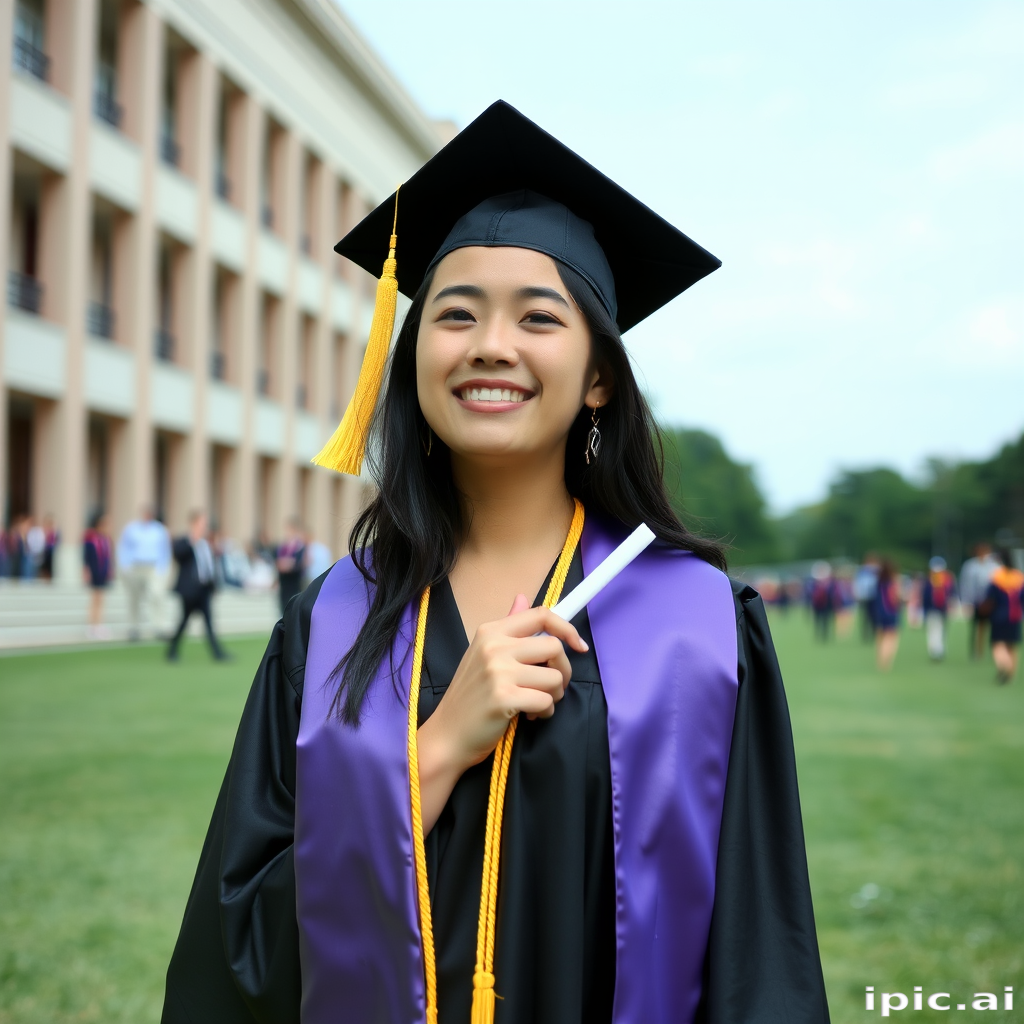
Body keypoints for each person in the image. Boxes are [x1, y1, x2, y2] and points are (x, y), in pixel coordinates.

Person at [162, 101, 828, 1024]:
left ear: (600, 375)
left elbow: (762, 960)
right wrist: (435, 750)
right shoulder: (329, 626)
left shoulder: (701, 628)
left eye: (539, 317)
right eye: (456, 313)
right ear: (413, 359)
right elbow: (235, 953)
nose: (491, 345)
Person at [166, 510, 230, 662]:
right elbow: (179, 555)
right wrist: (192, 541)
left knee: (208, 622)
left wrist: (213, 585)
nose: (205, 526)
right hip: (189, 590)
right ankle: (172, 651)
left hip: (204, 590)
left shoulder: (205, 544)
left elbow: (209, 566)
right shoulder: (185, 541)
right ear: (194, 523)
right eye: (202, 523)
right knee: (183, 621)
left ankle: (217, 653)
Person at [118, 504, 171, 641]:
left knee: (157, 595)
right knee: (134, 598)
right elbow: (124, 546)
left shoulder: (159, 530)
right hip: (135, 567)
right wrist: (125, 565)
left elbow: (165, 550)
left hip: (153, 567)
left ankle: (160, 627)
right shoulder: (131, 528)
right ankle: (133, 628)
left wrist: (162, 568)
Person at [981, 549, 1023, 684]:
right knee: (1011, 645)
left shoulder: (997, 577)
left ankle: (1003, 665)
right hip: (1015, 615)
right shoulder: (1019, 577)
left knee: (997, 643)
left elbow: (989, 598)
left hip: (998, 615)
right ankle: (1011, 671)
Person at [959, 542, 1000, 660]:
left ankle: (994, 651)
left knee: (993, 628)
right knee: (977, 627)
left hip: (992, 601)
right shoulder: (970, 566)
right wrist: (966, 601)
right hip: (977, 601)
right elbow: (965, 584)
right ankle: (977, 651)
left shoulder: (994, 566)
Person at [82, 512, 114, 639]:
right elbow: (86, 557)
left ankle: (99, 624)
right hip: (94, 571)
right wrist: (86, 570)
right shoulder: (90, 538)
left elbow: (108, 557)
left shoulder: (106, 539)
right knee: (95, 599)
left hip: (103, 571)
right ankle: (92, 625)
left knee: (101, 599)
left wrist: (110, 571)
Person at [922, 556, 956, 661]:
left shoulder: (930, 579)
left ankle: (936, 650)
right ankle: (939, 649)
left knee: (933, 630)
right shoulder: (948, 579)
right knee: (941, 630)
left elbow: (925, 596)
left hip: (933, 609)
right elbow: (953, 594)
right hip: (942, 609)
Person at [873, 559, 901, 671]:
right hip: (891, 612)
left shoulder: (879, 582)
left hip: (879, 612)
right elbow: (895, 598)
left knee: (880, 636)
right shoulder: (892, 582)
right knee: (891, 638)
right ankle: (886, 661)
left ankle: (880, 660)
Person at [275, 516, 307, 615]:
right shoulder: (283, 547)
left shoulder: (299, 547)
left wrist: (289, 564)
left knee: (293, 607)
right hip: (284, 583)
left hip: (294, 582)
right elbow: (278, 562)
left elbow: (300, 563)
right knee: (283, 608)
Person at [853, 553, 880, 641]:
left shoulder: (877, 570)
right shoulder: (863, 571)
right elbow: (858, 584)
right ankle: (866, 635)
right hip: (866, 596)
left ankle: (874, 634)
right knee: (866, 617)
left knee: (873, 617)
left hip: (874, 597)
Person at [809, 560, 837, 641]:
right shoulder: (814, 582)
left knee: (826, 620)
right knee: (818, 620)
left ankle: (825, 635)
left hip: (826, 603)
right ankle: (818, 635)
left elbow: (832, 592)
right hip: (818, 604)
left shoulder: (829, 582)